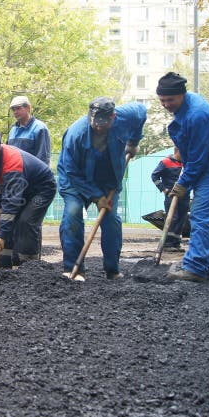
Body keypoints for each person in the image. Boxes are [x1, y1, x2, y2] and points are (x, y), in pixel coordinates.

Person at [57, 97, 146, 281]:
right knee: (73, 213)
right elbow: (71, 170)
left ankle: (112, 270)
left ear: (113, 117)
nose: (98, 127)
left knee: (111, 219)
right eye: (95, 123)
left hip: (107, 179)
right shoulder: (76, 134)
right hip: (76, 180)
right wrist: (96, 196)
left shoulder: (127, 115)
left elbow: (142, 113)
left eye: (103, 124)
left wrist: (133, 141)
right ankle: (73, 269)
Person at [156, 72, 209, 282]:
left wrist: (183, 184)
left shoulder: (198, 114)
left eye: (170, 100)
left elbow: (198, 158)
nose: (166, 104)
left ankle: (195, 267)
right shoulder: (185, 108)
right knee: (208, 217)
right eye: (162, 100)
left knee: (201, 215)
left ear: (182, 95)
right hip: (207, 166)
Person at [0, 128, 56, 267]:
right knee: (7, 221)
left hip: (42, 189)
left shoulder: (12, 162)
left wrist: (0, 237)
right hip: (24, 189)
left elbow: (11, 202)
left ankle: (30, 267)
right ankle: (4, 266)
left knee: (26, 222)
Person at [151, 146, 189, 252]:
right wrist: (165, 190)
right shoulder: (165, 162)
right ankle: (168, 243)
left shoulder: (186, 164)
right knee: (173, 218)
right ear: (178, 151)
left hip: (184, 196)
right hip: (171, 196)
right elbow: (154, 176)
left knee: (182, 218)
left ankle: (176, 243)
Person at [7, 96, 52, 165]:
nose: (15, 112)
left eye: (18, 108)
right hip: (14, 174)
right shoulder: (13, 130)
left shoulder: (39, 128)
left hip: (32, 174)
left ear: (28, 108)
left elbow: (43, 159)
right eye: (13, 109)